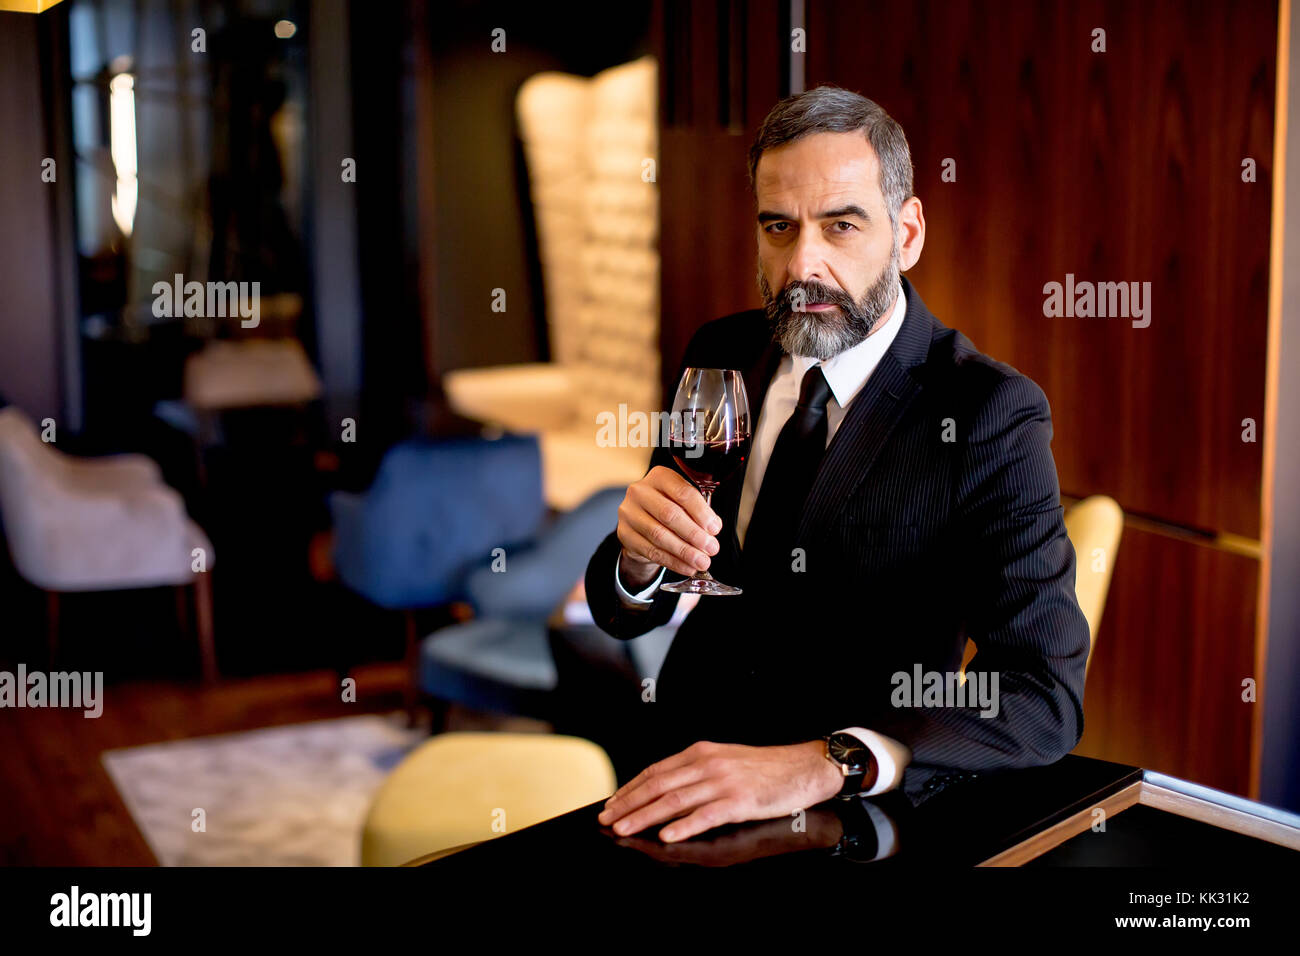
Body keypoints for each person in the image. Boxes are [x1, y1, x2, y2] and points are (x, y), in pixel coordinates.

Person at [588, 86, 1090, 845]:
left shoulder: (992, 412)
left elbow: (1042, 697)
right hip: (680, 763)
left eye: (841, 225)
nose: (803, 264)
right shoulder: (720, 353)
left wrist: (829, 762)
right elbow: (633, 605)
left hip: (850, 817)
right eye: (778, 227)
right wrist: (635, 562)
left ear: (909, 230)